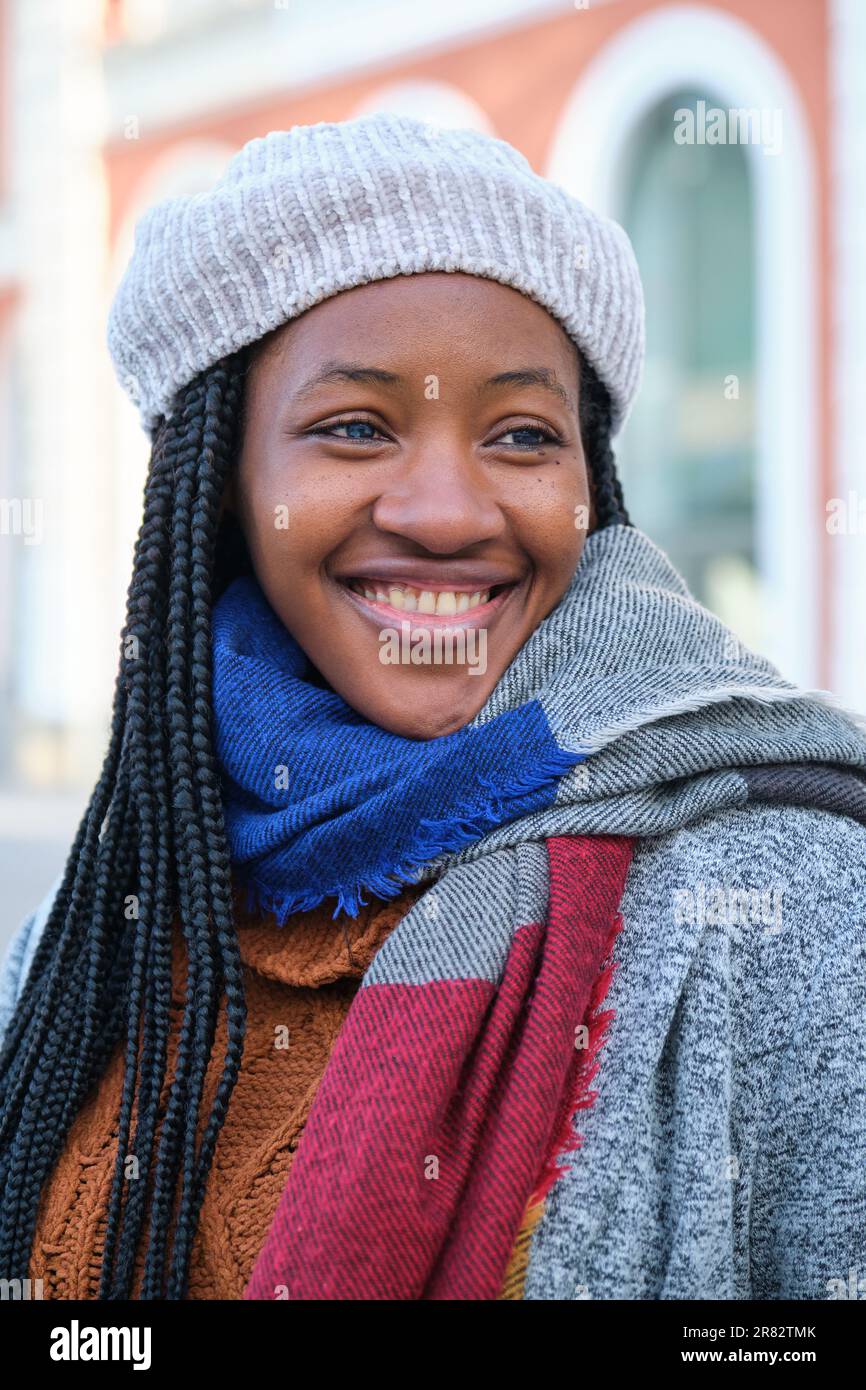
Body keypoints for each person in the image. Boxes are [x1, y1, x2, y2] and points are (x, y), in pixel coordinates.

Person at [1, 113, 865, 1302]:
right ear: (225, 486)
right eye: (354, 427)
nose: (449, 512)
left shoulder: (795, 898)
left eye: (520, 434)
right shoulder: (106, 916)